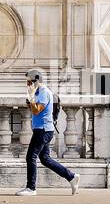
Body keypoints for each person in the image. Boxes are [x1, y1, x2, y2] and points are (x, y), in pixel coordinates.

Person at [16, 68, 79, 196]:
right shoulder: (39, 92)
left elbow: (36, 110)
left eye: (29, 82)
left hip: (43, 130)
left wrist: (31, 97)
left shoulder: (44, 92)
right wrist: (31, 98)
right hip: (43, 129)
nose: (27, 85)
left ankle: (31, 188)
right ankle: (71, 177)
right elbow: (33, 107)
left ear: (36, 80)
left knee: (31, 156)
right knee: (45, 159)